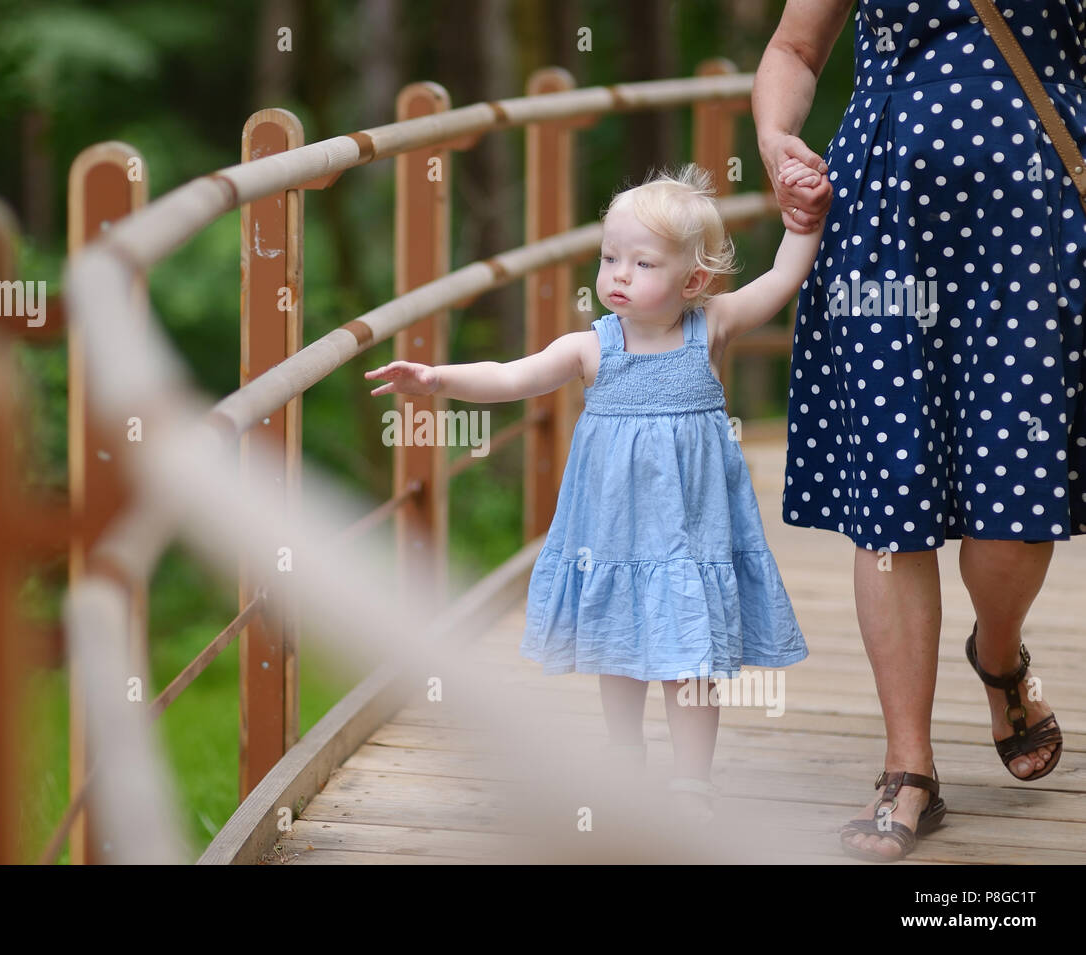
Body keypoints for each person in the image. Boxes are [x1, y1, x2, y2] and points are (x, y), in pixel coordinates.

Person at [365, 162, 822, 820]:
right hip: (616, 529)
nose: (618, 275)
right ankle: (623, 754)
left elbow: (782, 278)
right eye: (610, 258)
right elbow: (509, 375)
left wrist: (802, 222)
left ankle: (692, 779)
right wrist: (437, 380)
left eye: (642, 263)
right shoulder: (591, 347)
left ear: (693, 280)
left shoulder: (710, 327)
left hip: (693, 527)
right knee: (621, 637)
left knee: (689, 647)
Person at [754, 0, 1080, 861]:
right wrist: (776, 138)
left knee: (1017, 508)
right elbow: (793, 48)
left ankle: (999, 652)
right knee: (893, 506)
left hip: (1035, 221)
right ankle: (909, 767)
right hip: (886, 222)